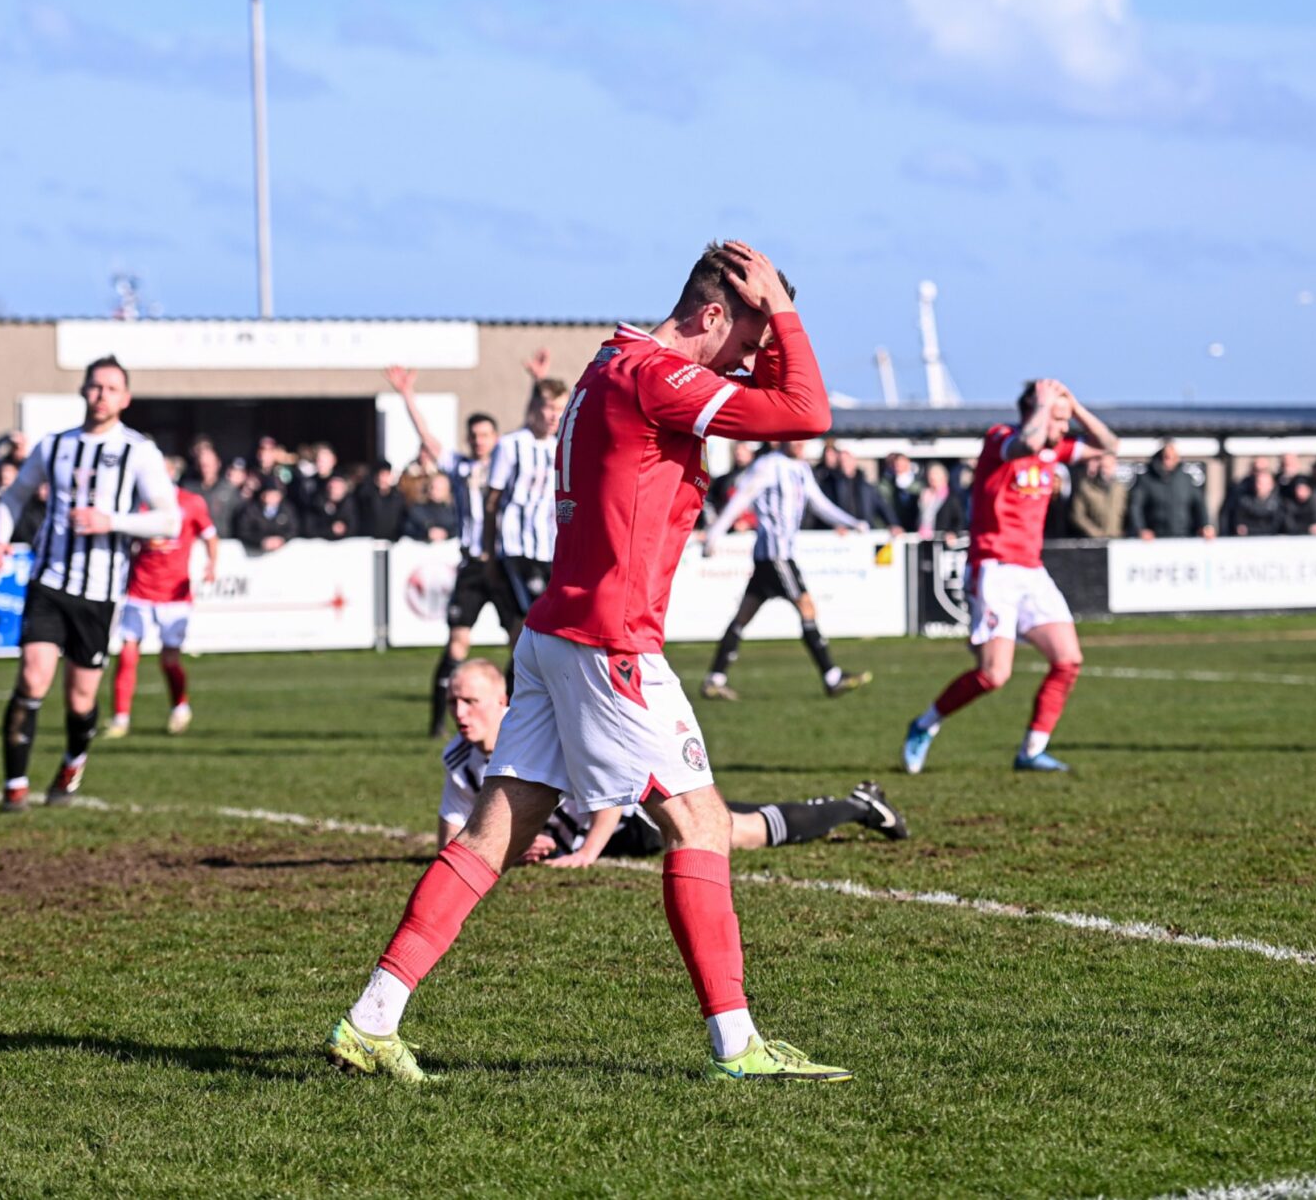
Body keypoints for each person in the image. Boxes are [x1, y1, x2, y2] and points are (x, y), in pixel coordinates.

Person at [327, 240, 852, 1084]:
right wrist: (783, 317)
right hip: (610, 641)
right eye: (749, 338)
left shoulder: (615, 361)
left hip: (552, 632)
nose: (757, 359)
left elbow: (773, 394)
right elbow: (808, 412)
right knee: (701, 823)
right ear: (713, 315)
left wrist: (771, 321)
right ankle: (737, 1042)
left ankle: (371, 1017)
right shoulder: (656, 377)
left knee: (496, 828)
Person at [436, 659, 904, 865]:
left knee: (741, 832)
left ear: (503, 699)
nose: (460, 713)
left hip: (632, 815)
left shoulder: (544, 730)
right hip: (602, 830)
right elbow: (452, 844)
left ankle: (858, 805)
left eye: (470, 701)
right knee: (740, 820)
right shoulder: (460, 758)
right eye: (454, 702)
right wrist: (516, 848)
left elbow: (609, 793)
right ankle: (856, 804)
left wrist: (584, 854)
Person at [902, 378, 1119, 776]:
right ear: (1033, 412)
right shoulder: (1000, 439)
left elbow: (1109, 445)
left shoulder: (1055, 449)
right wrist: (1043, 407)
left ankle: (1032, 750)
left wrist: (1073, 403)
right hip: (994, 568)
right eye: (1059, 419)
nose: (1065, 429)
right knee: (993, 675)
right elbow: (1028, 443)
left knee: (1068, 660)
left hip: (1031, 570)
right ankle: (924, 725)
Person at [0, 357, 179, 810]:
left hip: (99, 593)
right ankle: (15, 784)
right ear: (83, 391)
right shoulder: (55, 446)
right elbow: (14, 495)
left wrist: (110, 520)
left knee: (80, 699)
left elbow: (169, 519)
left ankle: (73, 761)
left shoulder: (139, 450)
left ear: (125, 398)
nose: (101, 395)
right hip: (49, 581)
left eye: (112, 389)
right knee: (33, 678)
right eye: (95, 387)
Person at [699, 440, 873, 702]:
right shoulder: (768, 465)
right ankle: (832, 677)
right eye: (796, 438)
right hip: (775, 555)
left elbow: (819, 503)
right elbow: (741, 499)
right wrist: (714, 535)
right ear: (779, 440)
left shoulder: (801, 468)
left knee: (744, 615)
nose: (802, 443)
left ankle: (714, 679)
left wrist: (851, 522)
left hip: (774, 556)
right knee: (806, 607)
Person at [388, 367, 509, 735]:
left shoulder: (509, 465)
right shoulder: (458, 467)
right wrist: (407, 395)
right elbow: (427, 437)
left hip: (503, 565)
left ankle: (513, 718)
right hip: (472, 565)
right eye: (474, 435)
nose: (479, 441)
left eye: (485, 435)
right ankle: (438, 722)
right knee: (458, 643)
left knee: (522, 642)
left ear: (496, 438)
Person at [105, 456, 219, 740]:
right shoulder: (138, 504)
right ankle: (120, 718)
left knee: (169, 659)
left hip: (173, 595)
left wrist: (211, 563)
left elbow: (210, 535)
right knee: (128, 655)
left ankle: (180, 708)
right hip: (139, 591)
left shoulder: (191, 502)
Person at [487, 375, 569, 649]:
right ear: (533, 407)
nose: (554, 416)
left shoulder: (559, 446)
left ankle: (522, 684)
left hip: (548, 548)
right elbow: (493, 500)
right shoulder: (511, 445)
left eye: (560, 409)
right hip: (517, 546)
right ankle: (525, 685)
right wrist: (489, 550)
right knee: (536, 618)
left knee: (542, 621)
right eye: (549, 408)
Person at [1126, 439, 1213, 539]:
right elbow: (1136, 506)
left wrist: (1205, 526)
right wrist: (1140, 529)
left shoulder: (1186, 480)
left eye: (1173, 457)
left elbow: (1199, 505)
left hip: (1183, 536)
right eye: (1166, 457)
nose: (1168, 460)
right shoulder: (1146, 480)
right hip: (1155, 538)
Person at [816, 447, 897, 530]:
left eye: (847, 460)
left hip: (865, 532)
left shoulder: (868, 487)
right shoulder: (830, 486)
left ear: (854, 461)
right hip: (843, 534)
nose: (844, 463)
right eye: (841, 461)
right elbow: (827, 509)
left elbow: (883, 507)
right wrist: (835, 525)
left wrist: (894, 525)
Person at [1066, 451, 1126, 538]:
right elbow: (1077, 515)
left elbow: (1126, 512)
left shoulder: (1120, 489)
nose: (1105, 470)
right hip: (1093, 541)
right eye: (1103, 466)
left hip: (1116, 539)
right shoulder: (1086, 487)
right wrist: (1096, 533)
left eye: (1109, 466)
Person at [236, 479, 298, 551]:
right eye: (269, 494)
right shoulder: (251, 510)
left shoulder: (287, 509)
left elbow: (293, 529)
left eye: (275, 495)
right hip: (254, 552)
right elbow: (243, 530)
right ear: (263, 495)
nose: (272, 498)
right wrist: (262, 541)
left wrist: (282, 539)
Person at [1228, 464, 1285, 536]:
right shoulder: (1244, 502)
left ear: (1271, 485)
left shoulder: (1278, 504)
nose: (1259, 486)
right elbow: (1240, 526)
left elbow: (1277, 527)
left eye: (1263, 483)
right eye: (1258, 482)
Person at [916, 461, 965, 537]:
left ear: (944, 477)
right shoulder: (924, 495)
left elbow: (959, 519)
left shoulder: (952, 497)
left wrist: (953, 533)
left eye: (935, 474)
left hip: (942, 540)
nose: (932, 477)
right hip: (924, 539)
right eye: (930, 475)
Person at [305, 472, 358, 540]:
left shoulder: (349, 505)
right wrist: (330, 529)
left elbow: (354, 527)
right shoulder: (316, 503)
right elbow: (309, 528)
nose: (333, 490)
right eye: (331, 487)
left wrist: (343, 529)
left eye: (337, 488)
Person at [406, 472, 455, 541]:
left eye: (439, 489)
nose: (434, 491)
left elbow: (458, 528)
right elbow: (408, 528)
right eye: (433, 487)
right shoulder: (418, 508)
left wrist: (446, 534)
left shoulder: (453, 509)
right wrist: (427, 533)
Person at [879, 452, 921, 530]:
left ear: (908, 463)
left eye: (901, 463)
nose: (898, 467)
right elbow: (884, 506)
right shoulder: (887, 484)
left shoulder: (919, 481)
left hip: (916, 525)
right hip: (895, 526)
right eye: (896, 464)